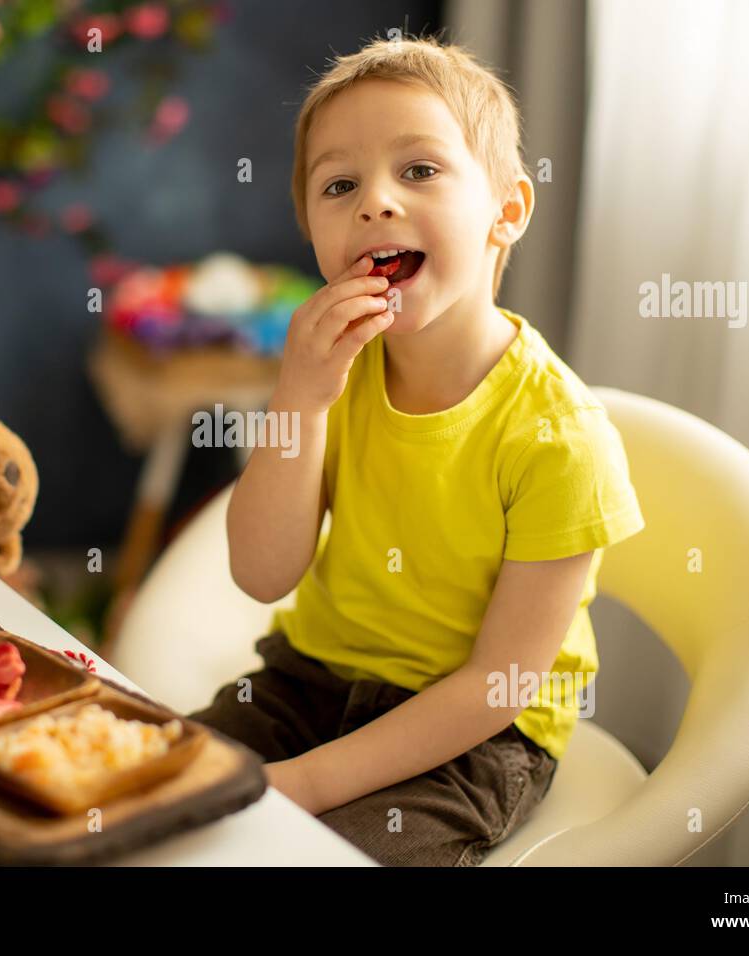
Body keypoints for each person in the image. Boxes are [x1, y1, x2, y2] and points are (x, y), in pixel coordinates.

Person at [185, 34, 646, 867]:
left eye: (420, 170)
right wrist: (300, 398)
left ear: (507, 209)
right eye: (339, 185)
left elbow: (496, 687)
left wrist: (313, 785)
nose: (376, 203)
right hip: (308, 680)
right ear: (314, 232)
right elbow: (261, 571)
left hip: (474, 734)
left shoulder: (561, 438)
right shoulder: (333, 377)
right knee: (160, 798)